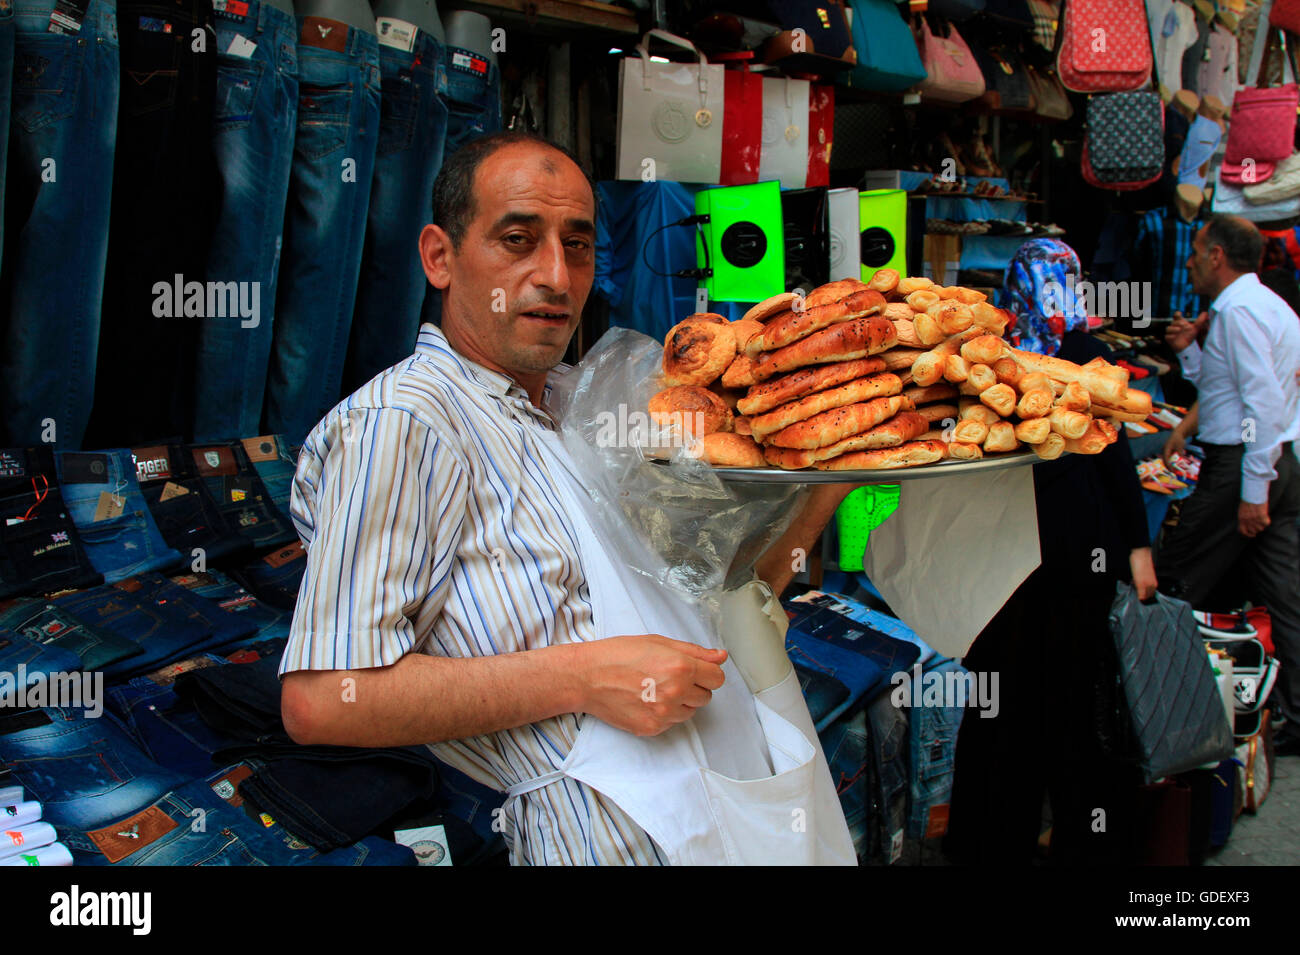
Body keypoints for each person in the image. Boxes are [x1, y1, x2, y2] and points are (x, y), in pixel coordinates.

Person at [275, 130, 858, 864]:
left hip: (735, 814)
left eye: (577, 245)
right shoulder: (407, 422)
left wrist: (837, 468)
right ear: (440, 256)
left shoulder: (590, 403)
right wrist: (584, 675)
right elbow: (323, 696)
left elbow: (725, 598)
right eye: (517, 239)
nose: (554, 274)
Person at [945, 239, 1153, 865]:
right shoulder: (1088, 356)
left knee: (1000, 706)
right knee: (1071, 706)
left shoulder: (993, 358)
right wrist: (1138, 548)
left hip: (1006, 563)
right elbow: (1117, 462)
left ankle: (988, 842)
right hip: (1075, 557)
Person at [1159, 214, 1300, 757]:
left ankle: (1171, 711)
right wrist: (1190, 352)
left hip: (1246, 464)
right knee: (1280, 594)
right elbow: (1229, 391)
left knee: (1176, 578)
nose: (1189, 260)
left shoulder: (1240, 311)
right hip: (1273, 462)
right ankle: (1277, 714)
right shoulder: (1258, 306)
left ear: (1217, 254)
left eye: (1196, 250)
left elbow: (1259, 406)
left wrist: (1252, 490)